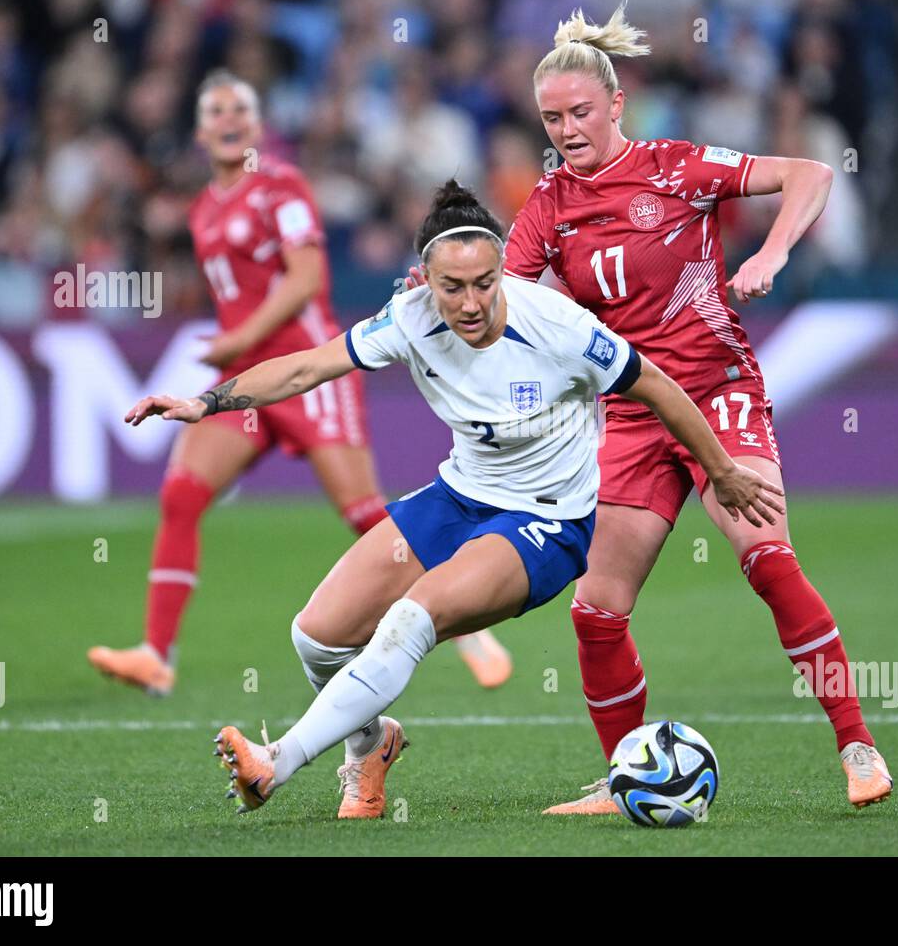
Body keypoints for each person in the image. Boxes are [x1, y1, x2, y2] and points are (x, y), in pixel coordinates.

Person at [124, 181, 781, 818]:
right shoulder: (409, 318)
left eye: (485, 283)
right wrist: (205, 402)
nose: (471, 303)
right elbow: (306, 366)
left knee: (411, 619)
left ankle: (277, 761)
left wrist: (720, 470)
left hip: (547, 522)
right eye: (452, 286)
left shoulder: (556, 325)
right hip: (458, 497)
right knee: (316, 637)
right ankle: (371, 747)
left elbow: (659, 386)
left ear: (504, 272)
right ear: (425, 280)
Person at [504, 5, 892, 812]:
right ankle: (622, 778)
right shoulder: (547, 205)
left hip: (718, 392)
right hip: (638, 412)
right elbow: (505, 296)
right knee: (596, 610)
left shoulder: (677, 165)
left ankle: (857, 745)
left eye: (581, 112)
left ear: (617, 105)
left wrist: (773, 250)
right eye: (553, 118)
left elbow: (810, 175)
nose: (569, 130)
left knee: (766, 559)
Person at [88, 70, 512, 697]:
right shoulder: (204, 208)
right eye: (216, 110)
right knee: (181, 496)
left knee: (365, 515)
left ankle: (466, 625)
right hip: (248, 384)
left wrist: (235, 339)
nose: (230, 119)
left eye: (242, 109)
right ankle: (157, 655)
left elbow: (306, 279)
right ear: (202, 129)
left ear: (257, 126)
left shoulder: (280, 187)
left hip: (309, 369)